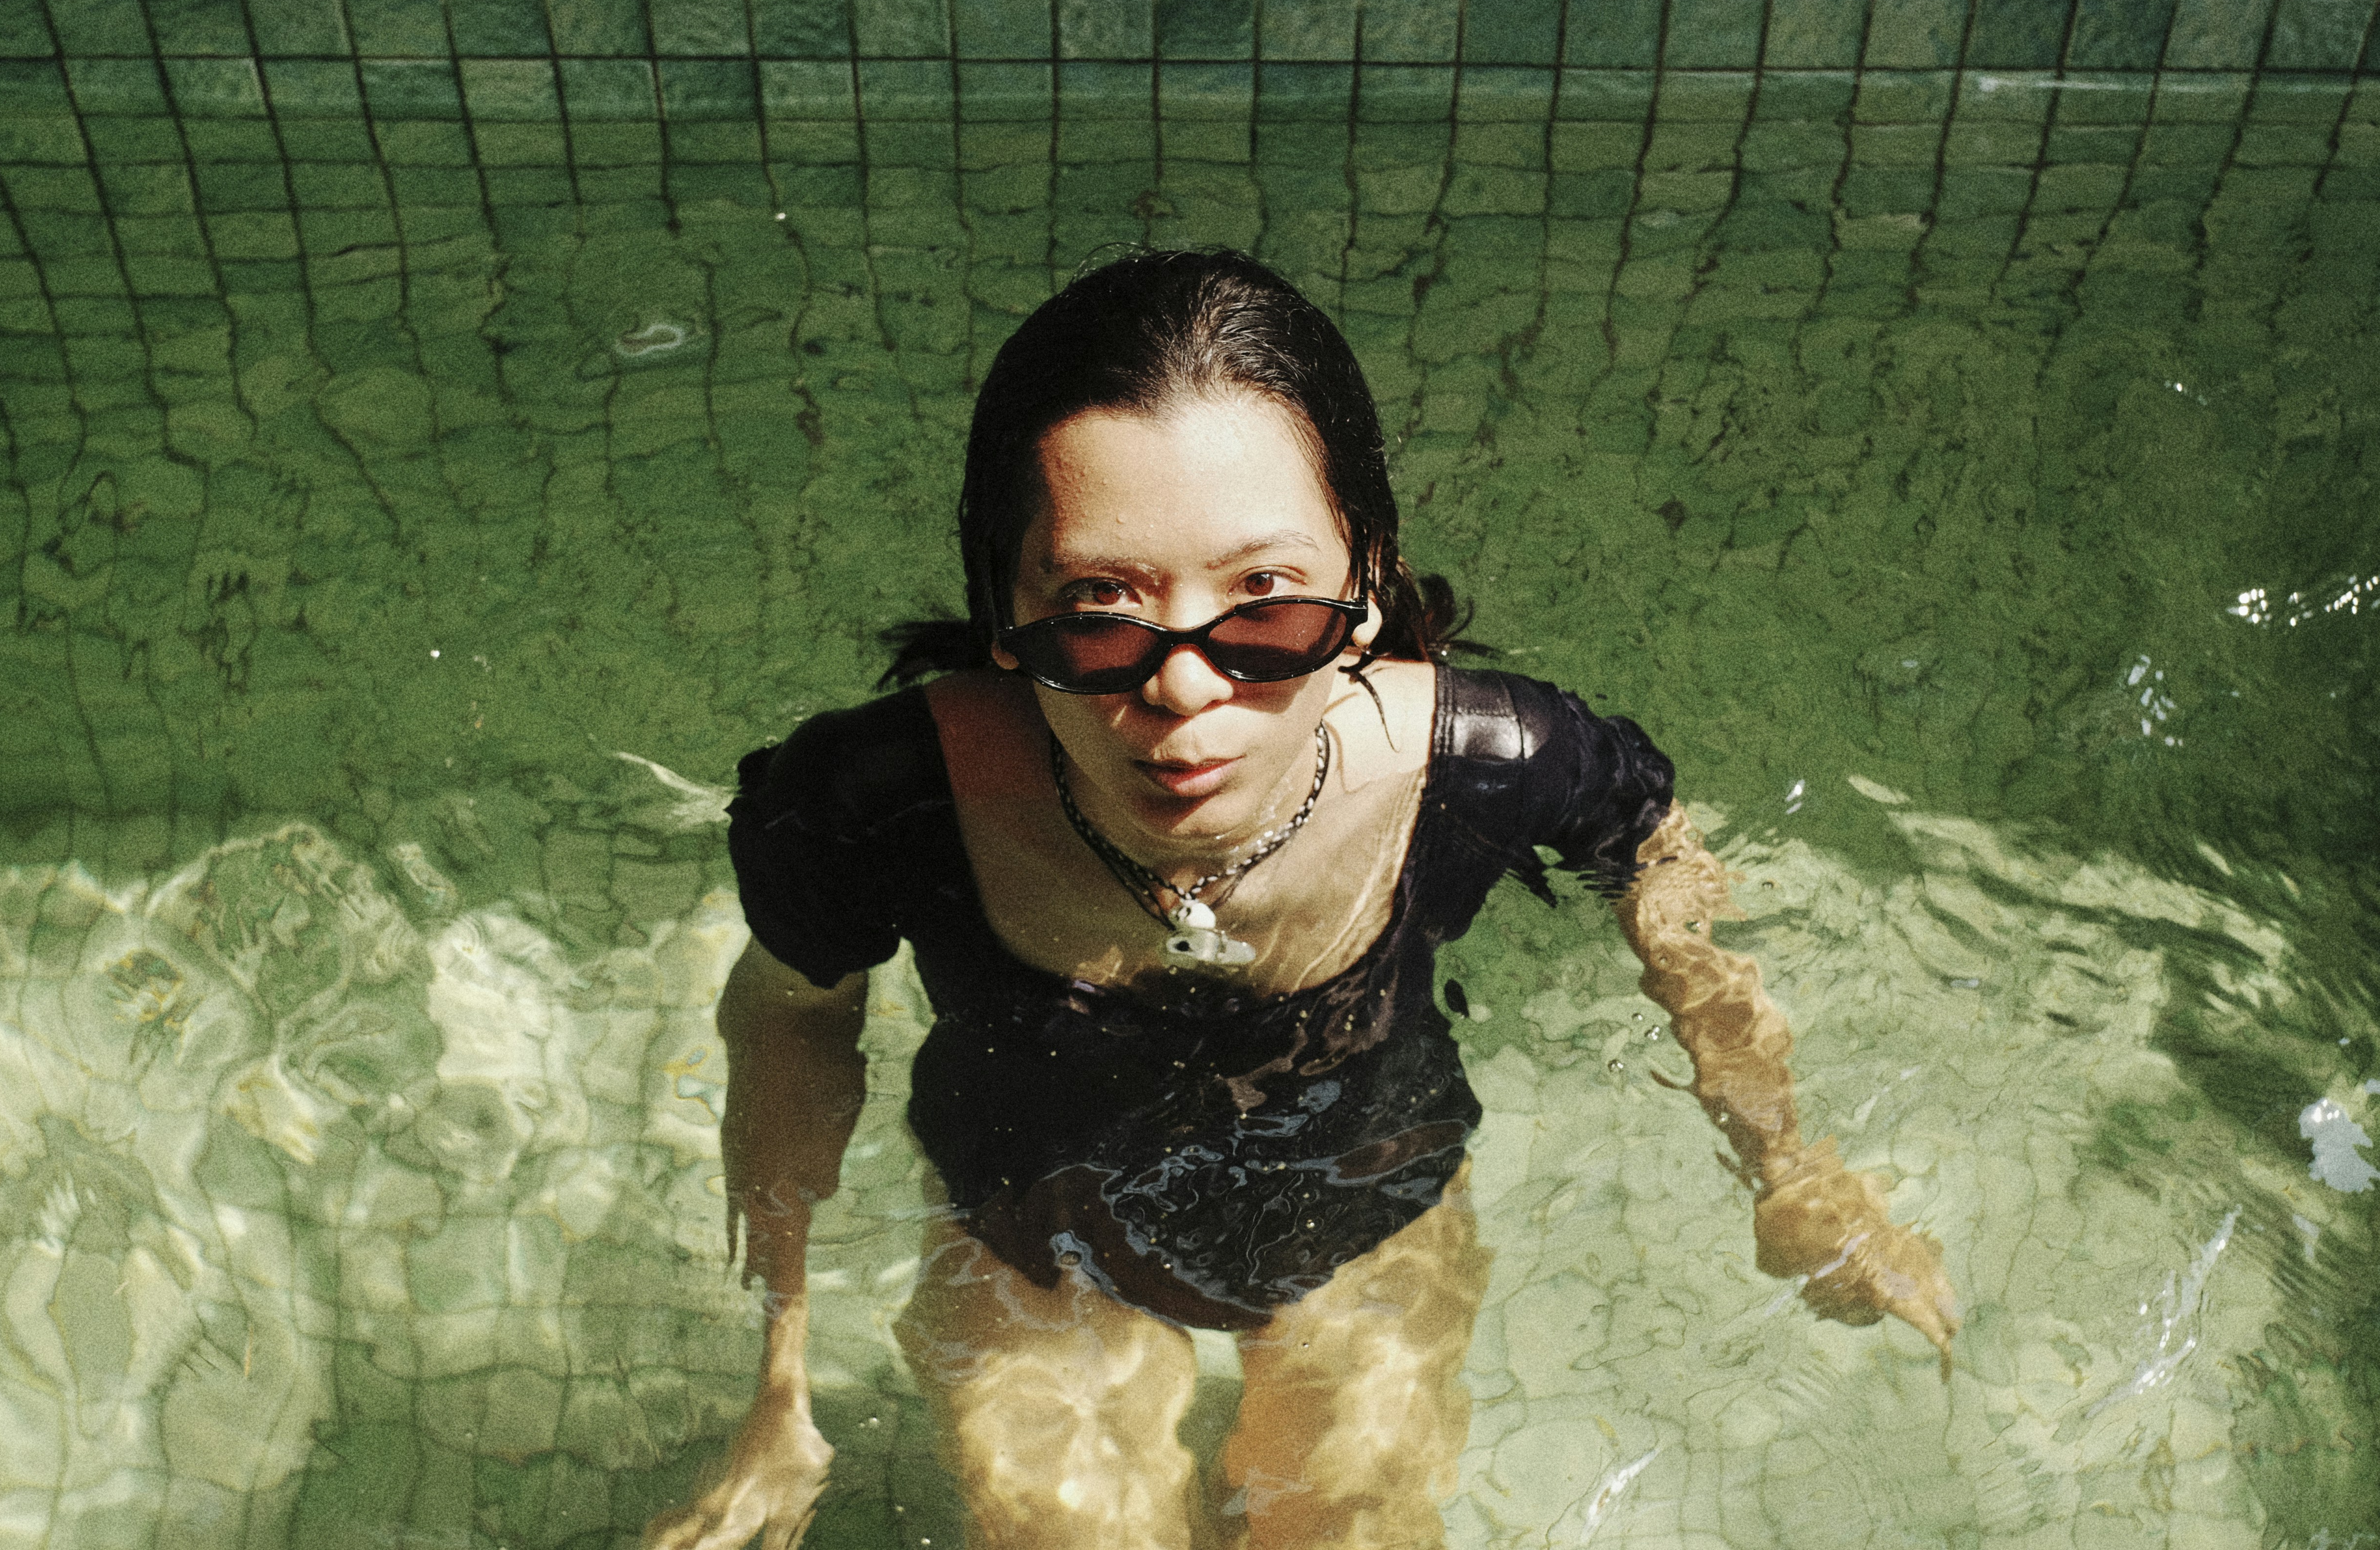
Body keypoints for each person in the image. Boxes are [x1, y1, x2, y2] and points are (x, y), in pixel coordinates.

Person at [647, 250, 1956, 1550]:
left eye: (1263, 608)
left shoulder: (1492, 763)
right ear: (1004, 613)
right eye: (1100, 612)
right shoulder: (876, 804)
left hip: (1365, 1201)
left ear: (1366, 587)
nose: (1185, 691)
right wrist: (781, 1390)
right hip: (1030, 1220)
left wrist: (1793, 1167)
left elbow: (1661, 855)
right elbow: (790, 1018)